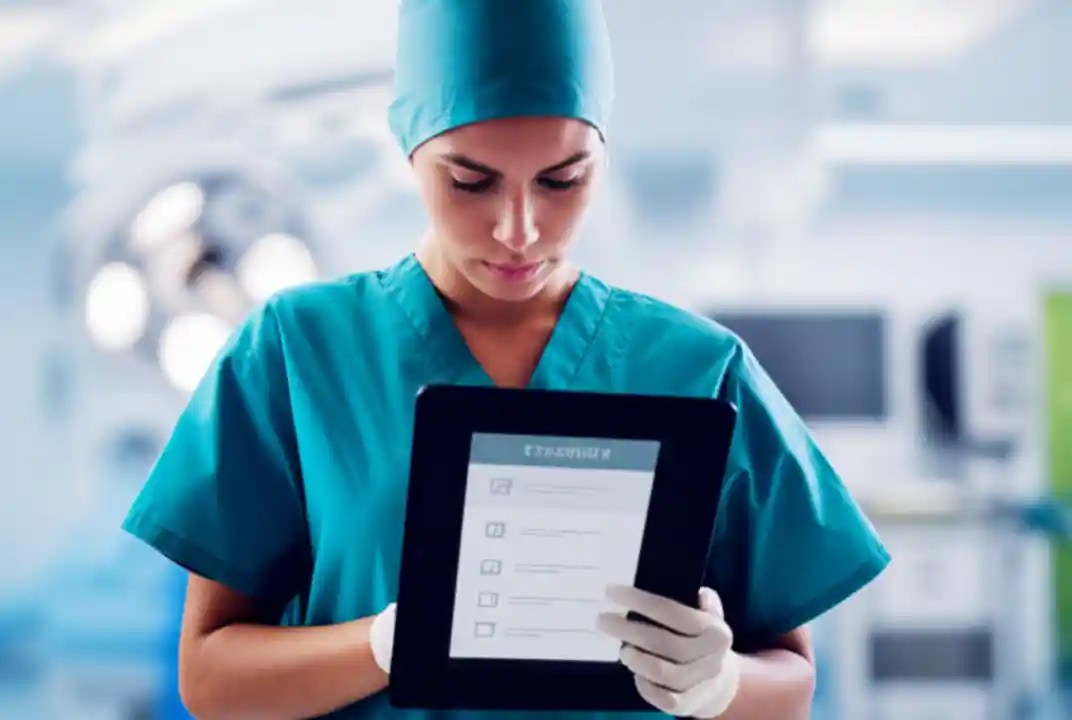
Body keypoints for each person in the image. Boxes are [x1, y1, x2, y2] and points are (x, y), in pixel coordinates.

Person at [121, 0, 890, 718]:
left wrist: (718, 682)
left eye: (563, 179)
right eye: (470, 180)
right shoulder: (298, 353)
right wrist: (384, 646)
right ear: (410, 152)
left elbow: (791, 682)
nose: (518, 229)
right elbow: (211, 677)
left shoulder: (698, 368)